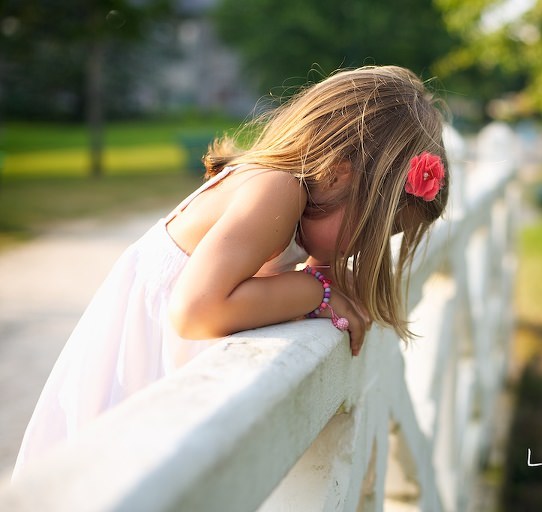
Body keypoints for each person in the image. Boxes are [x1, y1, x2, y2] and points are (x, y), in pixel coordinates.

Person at [12, 65, 450, 478]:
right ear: (337, 175)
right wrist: (313, 288)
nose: (368, 248)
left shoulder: (288, 198)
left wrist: (322, 274)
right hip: (129, 382)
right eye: (379, 226)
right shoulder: (275, 190)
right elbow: (197, 312)